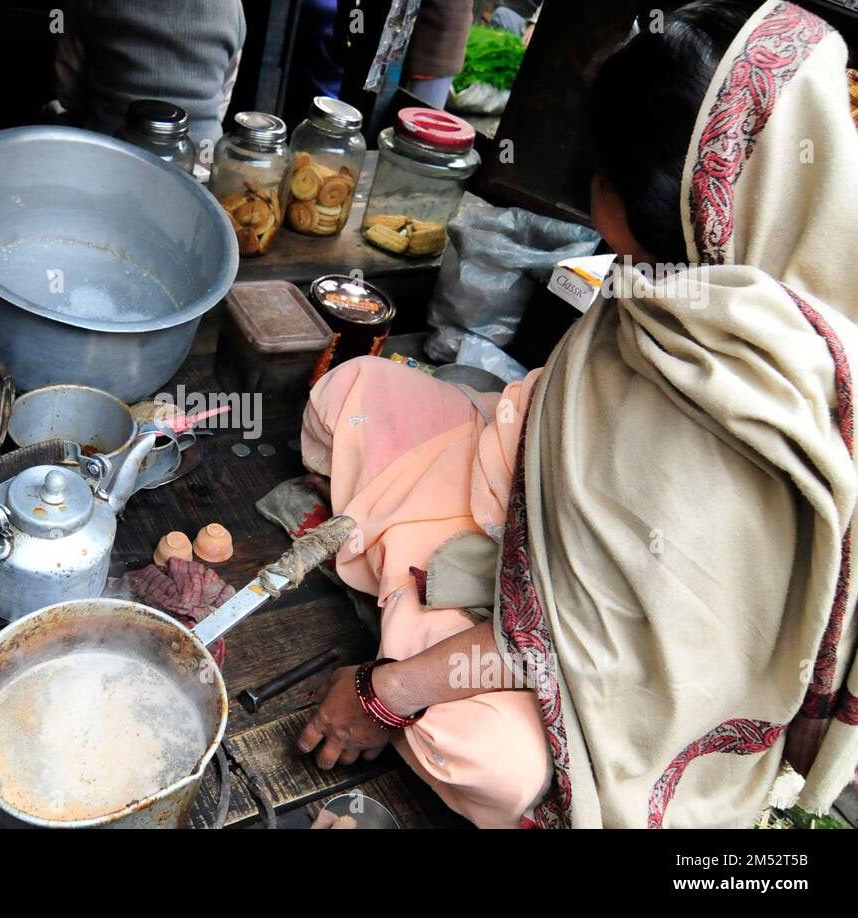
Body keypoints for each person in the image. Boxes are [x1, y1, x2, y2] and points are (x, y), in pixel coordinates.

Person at [297, 0, 858, 828]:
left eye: (606, 173)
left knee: (479, 757)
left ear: (682, 198)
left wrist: (385, 696)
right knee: (347, 397)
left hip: (600, 678)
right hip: (512, 509)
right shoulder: (699, 280)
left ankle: (405, 611)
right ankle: (409, 596)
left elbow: (576, 647)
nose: (590, 193)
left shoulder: (755, 404)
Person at [50, 0, 246, 150]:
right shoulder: (231, 6)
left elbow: (68, 91)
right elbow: (224, 95)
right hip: (201, 161)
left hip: (107, 153)